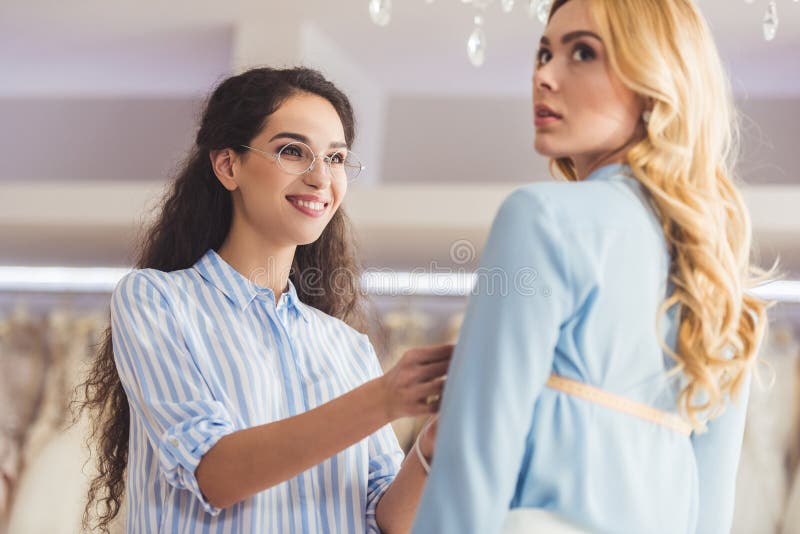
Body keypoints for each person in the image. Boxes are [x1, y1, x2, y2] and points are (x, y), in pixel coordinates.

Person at [411, 1, 771, 533]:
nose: (543, 76)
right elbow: (711, 513)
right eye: (543, 52)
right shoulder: (715, 272)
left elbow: (471, 472)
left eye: (582, 53)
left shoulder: (539, 218)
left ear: (655, 79)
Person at [77, 67, 450, 534]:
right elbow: (214, 474)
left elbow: (389, 518)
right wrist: (384, 400)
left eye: (335, 158)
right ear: (228, 165)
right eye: (293, 151)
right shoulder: (157, 300)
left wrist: (435, 446)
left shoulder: (346, 347)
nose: (321, 177)